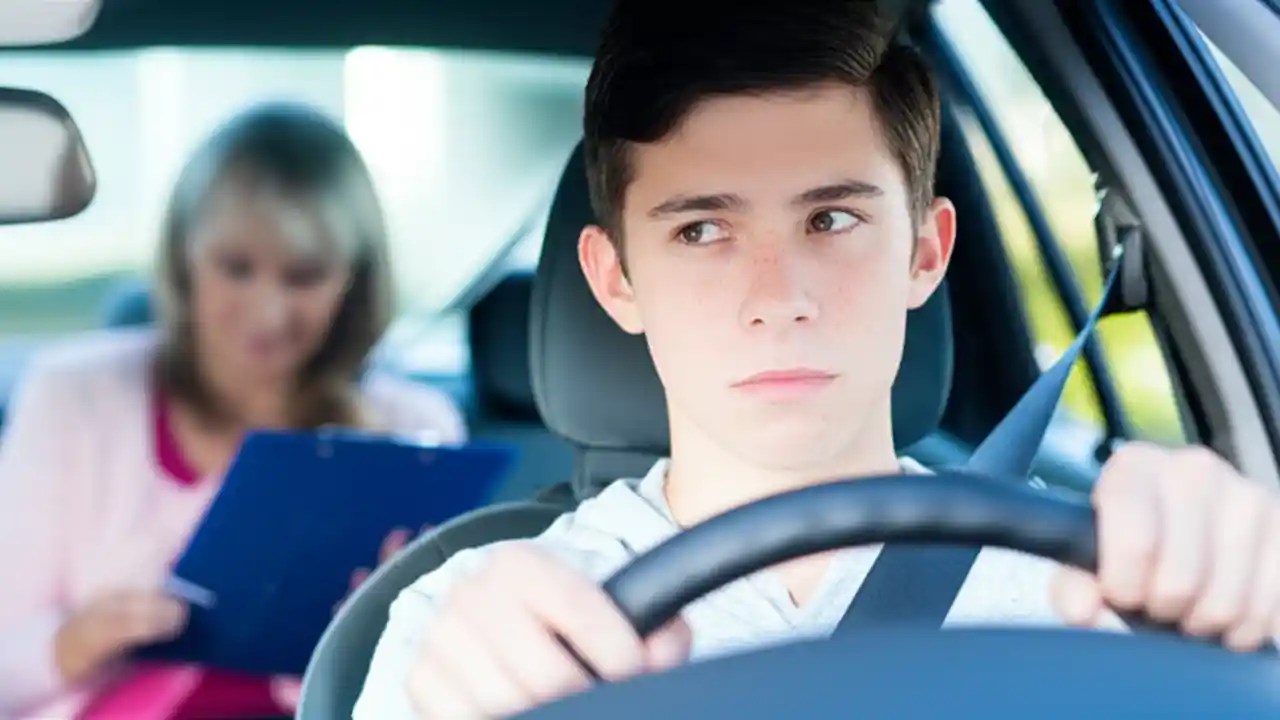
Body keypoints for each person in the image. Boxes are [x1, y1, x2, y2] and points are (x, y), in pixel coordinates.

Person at [355, 2, 1280, 718]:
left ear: (924, 252)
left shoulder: (1104, 592)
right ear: (615, 280)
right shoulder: (473, 632)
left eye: (830, 219)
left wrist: (1237, 614)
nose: (777, 297)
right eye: (704, 229)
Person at [0, 102, 466, 719]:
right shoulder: (75, 396)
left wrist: (393, 621)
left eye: (304, 276)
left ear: (352, 280)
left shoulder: (413, 430)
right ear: (184, 259)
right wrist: (75, 640)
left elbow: (450, 680)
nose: (268, 312)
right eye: (236, 269)